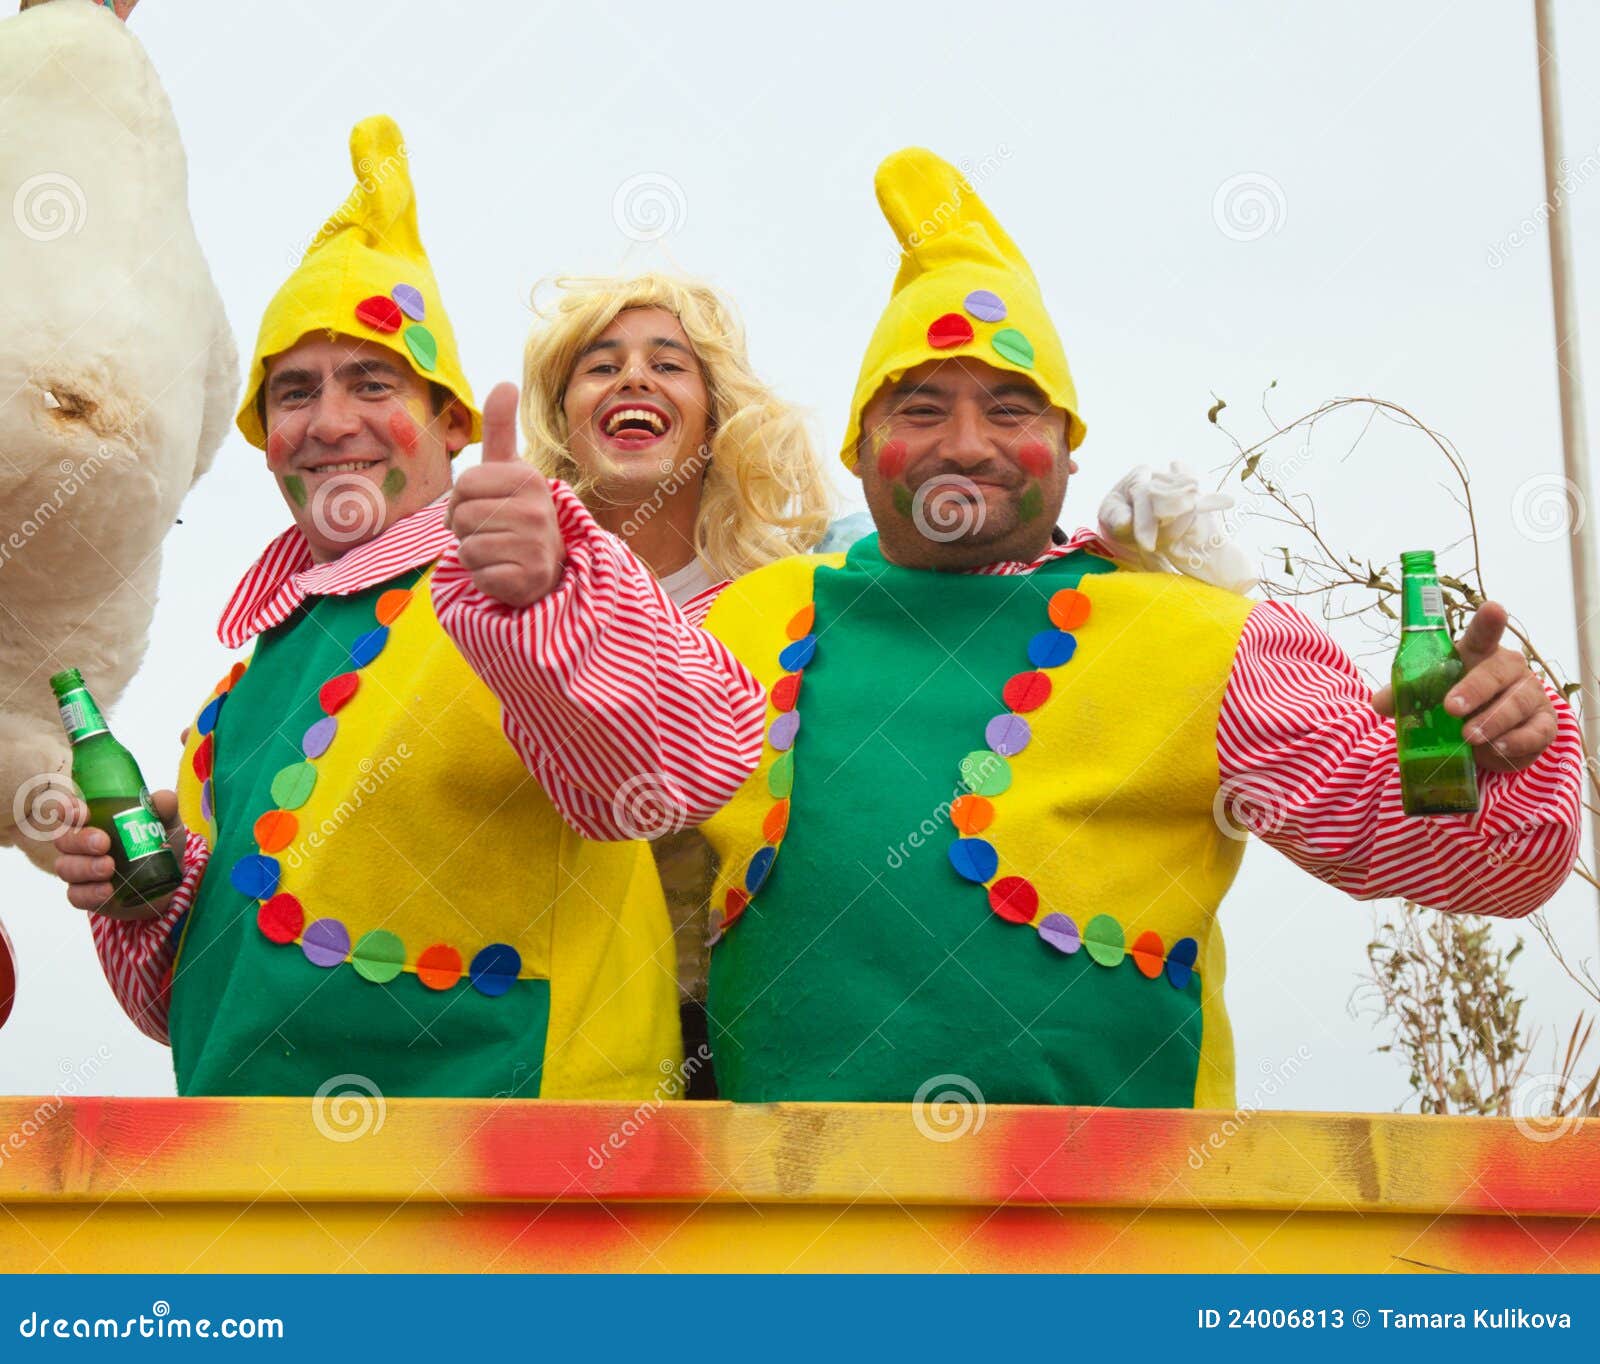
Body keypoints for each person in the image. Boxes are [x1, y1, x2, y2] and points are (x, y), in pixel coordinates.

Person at [671, 147, 1578, 1106]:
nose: (967, 444)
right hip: (784, 1224)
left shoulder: (1213, 639)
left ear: (1066, 451)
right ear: (860, 448)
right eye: (922, 407)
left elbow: (1474, 863)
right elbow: (585, 768)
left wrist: (1488, 752)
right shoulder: (738, 620)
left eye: (1012, 409)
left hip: (1121, 1235)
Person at [52, 115, 764, 1099]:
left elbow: (691, 763)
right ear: (267, 436)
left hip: (532, 1202)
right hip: (269, 1210)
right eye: (295, 392)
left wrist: (545, 598)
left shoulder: (522, 565)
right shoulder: (234, 700)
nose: (331, 421)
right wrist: (147, 894)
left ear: (453, 422)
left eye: (372, 382)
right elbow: (187, 1004)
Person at [518, 274, 832, 1089]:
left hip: (748, 1021)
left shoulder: (804, 590)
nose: (633, 378)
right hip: (557, 1024)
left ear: (714, 416)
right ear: (562, 419)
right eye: (600, 365)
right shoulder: (505, 600)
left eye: (669, 364)